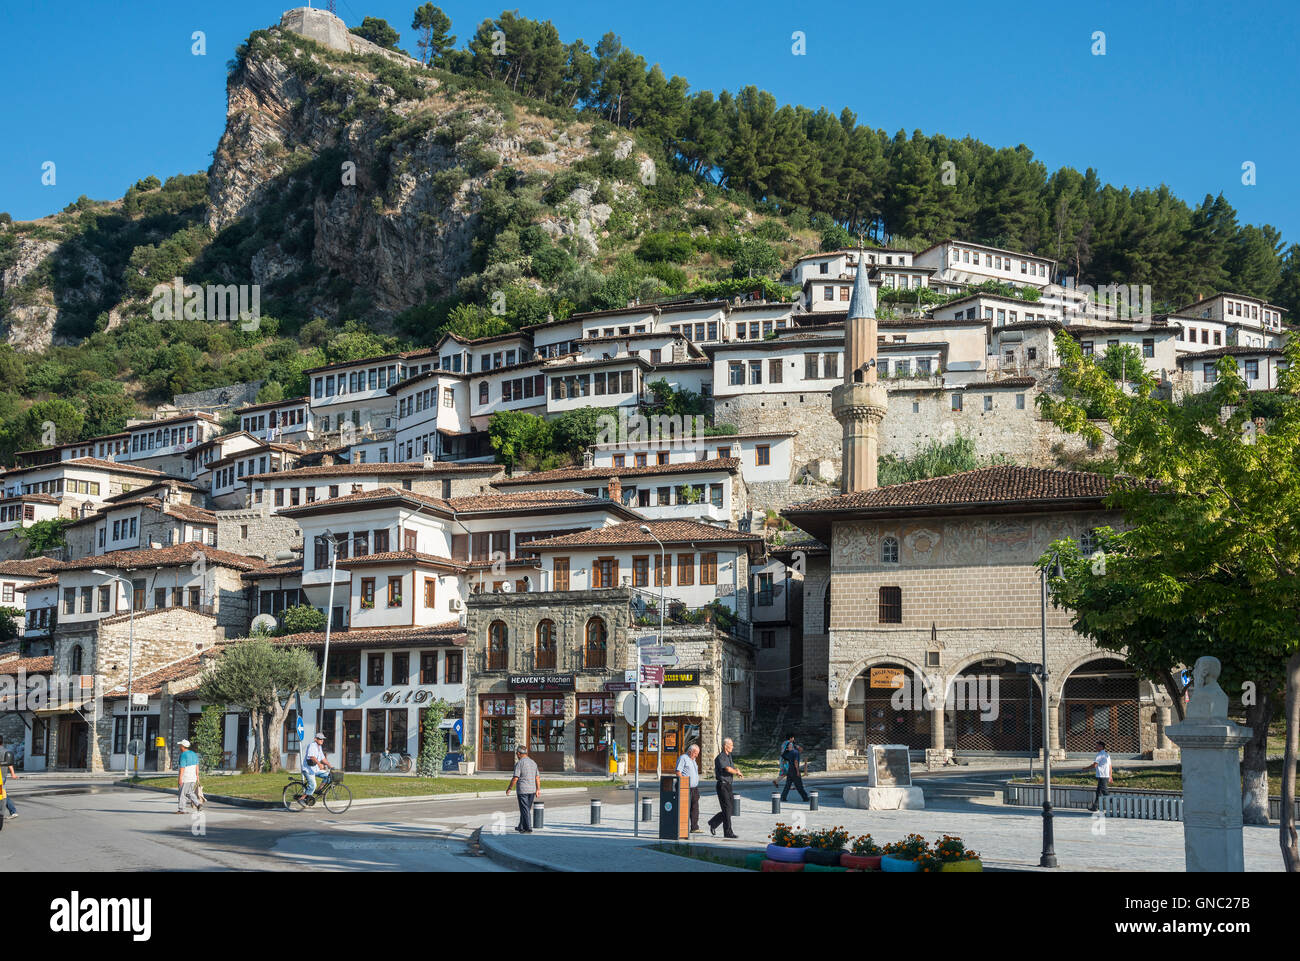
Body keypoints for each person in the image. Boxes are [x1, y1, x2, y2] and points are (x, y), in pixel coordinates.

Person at [707, 737, 743, 838]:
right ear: (725, 746)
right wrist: (736, 772)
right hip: (722, 785)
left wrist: (737, 771)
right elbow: (727, 768)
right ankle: (728, 832)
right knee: (727, 809)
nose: (733, 746)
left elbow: (731, 767)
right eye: (731, 745)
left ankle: (713, 823)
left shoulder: (729, 756)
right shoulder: (721, 757)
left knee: (730, 810)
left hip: (728, 785)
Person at [507, 745, 541, 833]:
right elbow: (537, 777)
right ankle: (521, 826)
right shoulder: (533, 762)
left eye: (516, 754)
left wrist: (509, 788)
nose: (516, 755)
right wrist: (538, 789)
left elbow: (515, 778)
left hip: (523, 790)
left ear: (519, 753)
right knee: (526, 809)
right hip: (532, 790)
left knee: (525, 809)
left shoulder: (519, 763)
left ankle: (528, 827)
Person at [676, 743, 701, 832]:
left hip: (694, 788)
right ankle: (681, 828)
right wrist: (683, 784)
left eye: (697, 753)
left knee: (695, 808)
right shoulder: (683, 758)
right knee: (684, 808)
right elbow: (678, 772)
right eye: (695, 753)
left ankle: (694, 827)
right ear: (690, 751)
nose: (697, 755)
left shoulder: (693, 760)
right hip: (685, 787)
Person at [176, 739, 202, 815]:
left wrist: (180, 778)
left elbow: (182, 768)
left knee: (182, 793)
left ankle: (182, 809)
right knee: (189, 792)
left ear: (183, 746)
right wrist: (197, 776)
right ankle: (198, 804)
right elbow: (197, 766)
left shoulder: (183, 755)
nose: (179, 746)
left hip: (185, 777)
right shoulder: (194, 754)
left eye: (180, 745)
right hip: (193, 777)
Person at [1085, 740, 1112, 812]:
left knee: (1104, 791)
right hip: (1105, 776)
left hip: (1102, 776)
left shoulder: (1099, 755)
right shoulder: (1107, 754)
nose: (1095, 747)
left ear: (1101, 746)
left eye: (1097, 745)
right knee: (1098, 792)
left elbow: (1094, 765)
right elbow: (1110, 766)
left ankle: (1116, 804)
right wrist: (1110, 776)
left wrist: (1085, 768)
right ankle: (1095, 807)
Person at [302, 731, 332, 797]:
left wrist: (330, 765)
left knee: (329, 777)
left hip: (315, 769)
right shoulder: (312, 746)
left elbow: (323, 759)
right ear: (315, 739)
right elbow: (312, 757)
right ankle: (302, 799)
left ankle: (318, 791)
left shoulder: (319, 747)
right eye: (320, 739)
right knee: (313, 785)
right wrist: (319, 764)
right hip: (308, 769)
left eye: (323, 739)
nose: (322, 740)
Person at [0, 735, 16, 820]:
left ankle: (12, 811)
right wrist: (13, 773)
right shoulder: (6, 751)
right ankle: (13, 811)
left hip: (1, 777)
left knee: (2, 794)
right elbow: (9, 764)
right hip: (3, 776)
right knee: (3, 794)